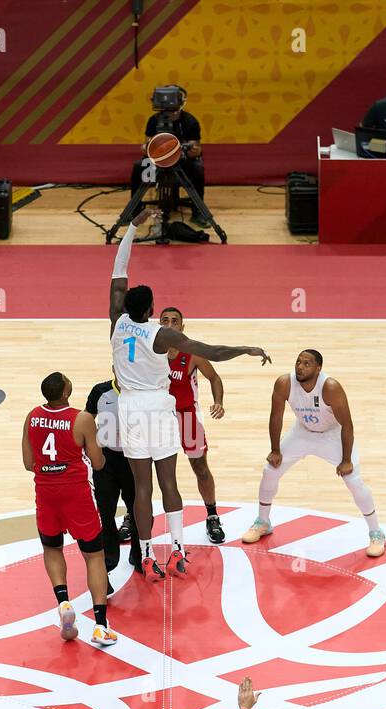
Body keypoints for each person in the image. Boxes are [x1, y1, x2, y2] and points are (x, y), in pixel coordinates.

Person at [108, 208, 269, 577]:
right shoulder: (161, 335)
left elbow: (119, 272)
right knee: (169, 482)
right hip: (160, 407)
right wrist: (245, 349)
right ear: (151, 310)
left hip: (129, 407)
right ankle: (178, 549)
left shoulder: (116, 324)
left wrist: (133, 225)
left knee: (141, 487)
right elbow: (211, 351)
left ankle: (146, 554)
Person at [241, 350, 386, 558]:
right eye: (298, 362)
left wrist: (346, 460)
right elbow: (276, 416)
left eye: (307, 364)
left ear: (318, 369)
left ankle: (376, 532)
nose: (300, 366)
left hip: (332, 435)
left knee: (353, 480)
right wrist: (275, 449)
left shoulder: (331, 387)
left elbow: (347, 425)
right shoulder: (284, 383)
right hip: (302, 432)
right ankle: (263, 522)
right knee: (269, 470)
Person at [23, 373, 118, 646]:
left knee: (52, 549)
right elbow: (99, 463)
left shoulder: (32, 416)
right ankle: (100, 625)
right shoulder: (81, 419)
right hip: (76, 493)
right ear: (65, 392)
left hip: (46, 493)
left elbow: (29, 462)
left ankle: (64, 603)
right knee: (94, 557)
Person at [160, 307, 226, 544]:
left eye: (174, 321)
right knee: (142, 469)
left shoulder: (192, 353)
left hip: (186, 416)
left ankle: (212, 515)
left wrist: (218, 401)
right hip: (157, 418)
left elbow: (215, 378)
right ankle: (131, 517)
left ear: (182, 327)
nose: (169, 324)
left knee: (200, 468)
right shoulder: (149, 351)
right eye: (165, 320)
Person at [86, 371, 141, 574]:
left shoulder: (139, 392)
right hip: (105, 460)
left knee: (137, 508)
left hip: (133, 458)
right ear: (113, 368)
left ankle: (139, 553)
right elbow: (87, 419)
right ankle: (109, 558)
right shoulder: (100, 391)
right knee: (105, 511)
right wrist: (93, 450)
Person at [128, 85, 204, 224]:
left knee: (198, 167)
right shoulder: (154, 120)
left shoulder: (190, 121)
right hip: (158, 162)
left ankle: (198, 212)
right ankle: (134, 210)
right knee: (139, 166)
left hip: (183, 161)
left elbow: (196, 150)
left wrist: (192, 150)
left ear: (181, 102)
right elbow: (148, 145)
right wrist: (147, 148)